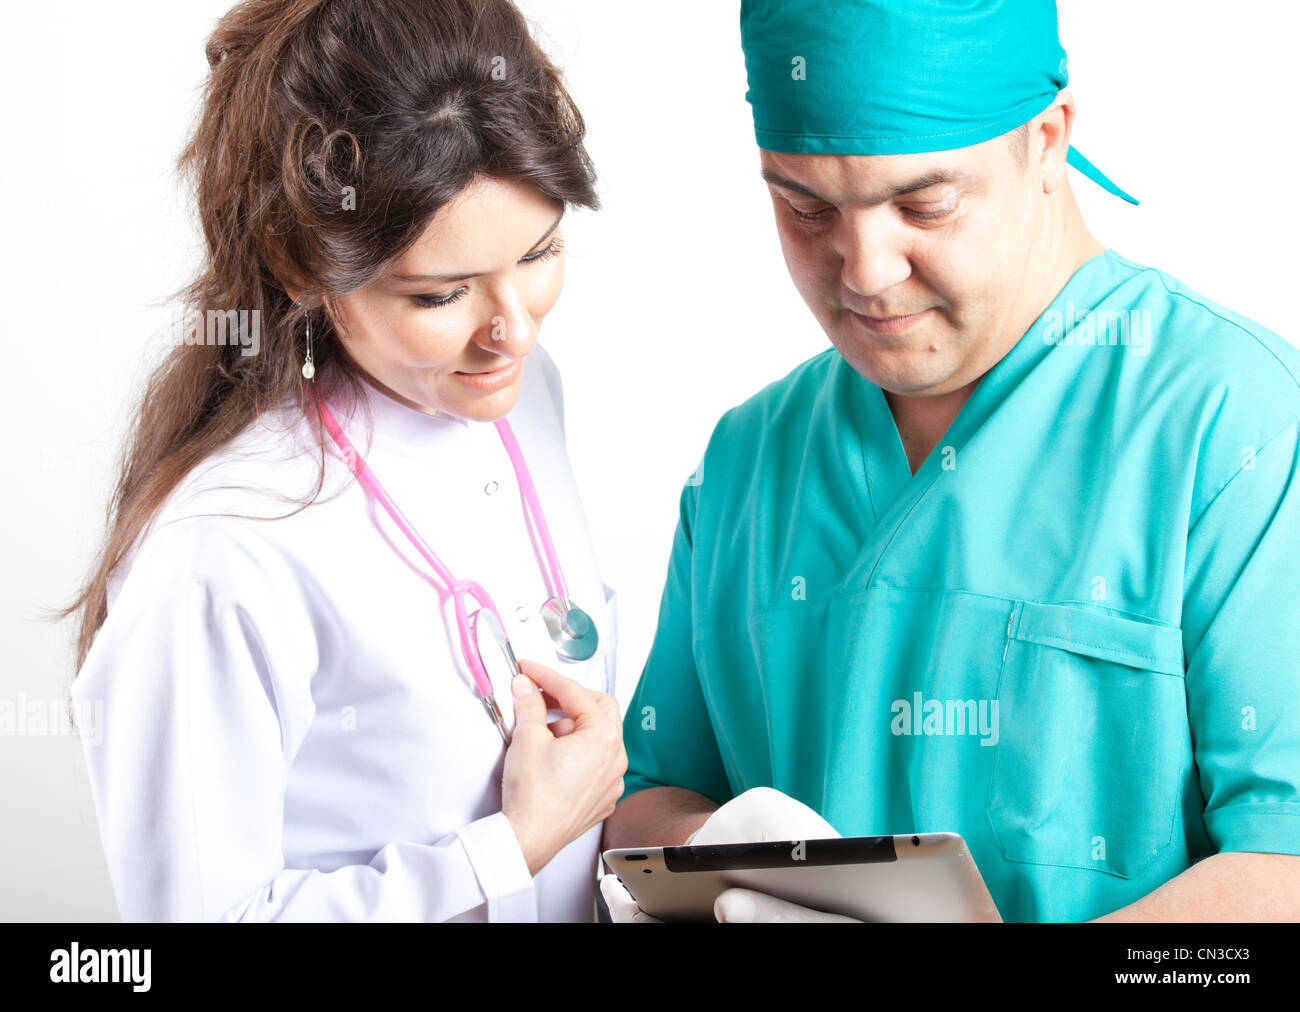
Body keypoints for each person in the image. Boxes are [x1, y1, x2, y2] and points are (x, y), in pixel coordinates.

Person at [602, 0, 1300, 922]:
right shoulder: (747, 458)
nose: (865, 272)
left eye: (923, 203)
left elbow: (1284, 866)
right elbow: (643, 805)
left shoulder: (1235, 423)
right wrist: (727, 853)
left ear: (1048, 140)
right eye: (805, 207)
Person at [62, 0, 626, 922]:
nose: (512, 332)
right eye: (440, 294)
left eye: (540, 252)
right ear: (300, 266)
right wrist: (508, 850)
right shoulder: (223, 554)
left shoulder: (530, 401)